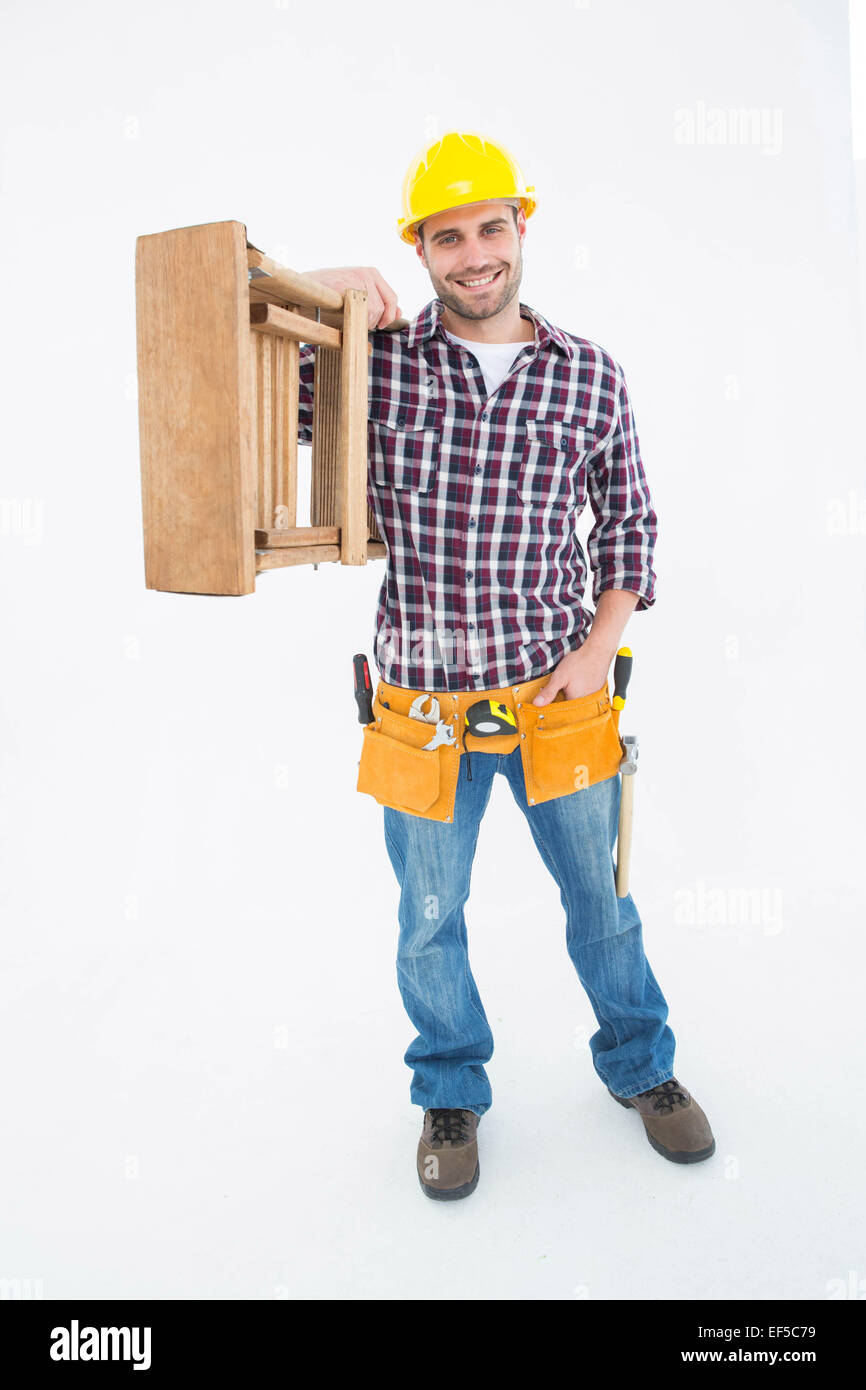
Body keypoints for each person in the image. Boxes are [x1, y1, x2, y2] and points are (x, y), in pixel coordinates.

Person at [300, 130, 714, 1201]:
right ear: (420, 250)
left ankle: (642, 1068)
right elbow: (229, 363)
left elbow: (627, 521)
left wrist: (597, 646)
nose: (474, 253)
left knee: (602, 900)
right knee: (428, 920)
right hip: (419, 706)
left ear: (520, 228)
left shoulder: (586, 375)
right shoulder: (374, 366)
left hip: (553, 697)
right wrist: (324, 290)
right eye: (448, 237)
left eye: (491, 228)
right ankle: (449, 1089)